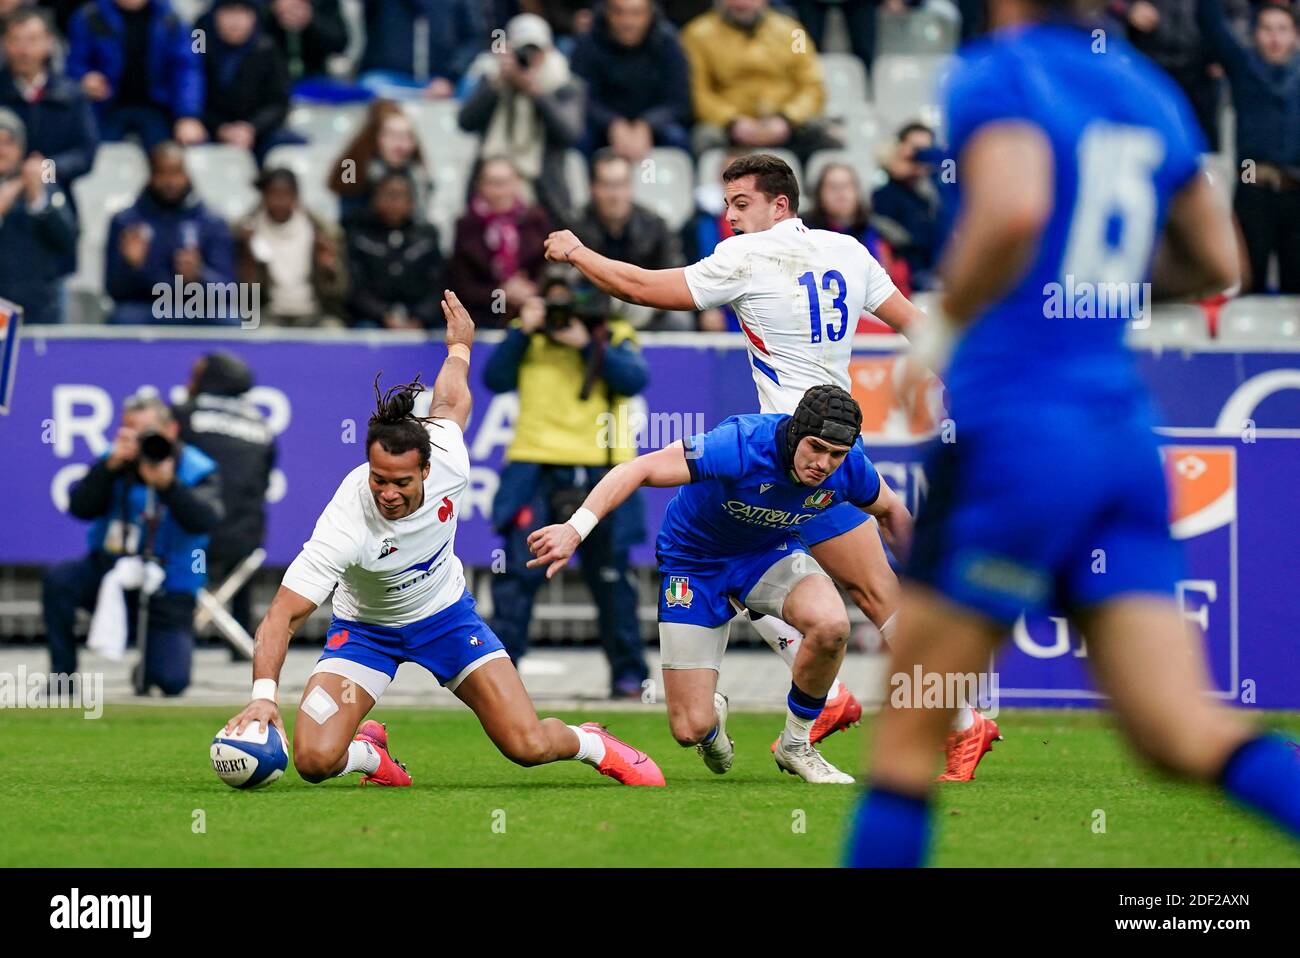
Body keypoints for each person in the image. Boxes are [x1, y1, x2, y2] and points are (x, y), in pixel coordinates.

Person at [845, 0, 1300, 867]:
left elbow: (1016, 207)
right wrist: (1093, 283)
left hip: (1019, 432)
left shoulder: (999, 69)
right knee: (1180, 729)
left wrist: (944, 329)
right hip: (1121, 436)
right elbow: (1219, 263)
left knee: (906, 741)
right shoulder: (1147, 86)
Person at [541, 153, 999, 774]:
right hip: (824, 444)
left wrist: (577, 253)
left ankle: (960, 719)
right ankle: (835, 696)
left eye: (740, 204)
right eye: (727, 205)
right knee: (785, 572)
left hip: (800, 451)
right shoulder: (849, 251)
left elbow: (641, 289)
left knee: (869, 590)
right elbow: (918, 326)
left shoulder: (748, 256)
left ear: (779, 205)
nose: (729, 217)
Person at [220, 290, 665, 789]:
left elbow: (452, 399)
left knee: (528, 746)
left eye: (401, 482)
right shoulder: (346, 521)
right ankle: (369, 755)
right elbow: (282, 614)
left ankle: (593, 742)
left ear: (427, 469)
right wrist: (263, 694)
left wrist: (460, 350)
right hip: (367, 632)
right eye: (378, 478)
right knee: (314, 761)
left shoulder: (449, 456)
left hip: (446, 620)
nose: (387, 493)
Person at [528, 386, 911, 783]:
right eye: (816, 447)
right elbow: (637, 469)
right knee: (688, 729)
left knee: (832, 626)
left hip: (768, 553)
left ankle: (797, 746)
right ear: (796, 432)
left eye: (836, 454)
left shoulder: (850, 468)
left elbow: (892, 511)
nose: (823, 464)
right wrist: (575, 529)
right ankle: (711, 721)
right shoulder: (742, 443)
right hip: (693, 563)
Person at [483, 267, 652, 700]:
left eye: (568, 303)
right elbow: (493, 378)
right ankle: (499, 680)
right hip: (535, 467)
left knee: (611, 577)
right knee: (518, 578)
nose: (560, 313)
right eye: (552, 302)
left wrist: (585, 345)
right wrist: (526, 330)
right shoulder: (528, 333)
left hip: (600, 469)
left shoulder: (612, 334)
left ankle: (629, 676)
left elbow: (633, 379)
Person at [44, 394, 224, 695]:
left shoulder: (197, 468)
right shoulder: (114, 460)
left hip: (170, 584)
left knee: (171, 681)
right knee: (59, 579)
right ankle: (63, 675)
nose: (140, 440)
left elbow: (206, 518)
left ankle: (150, 664)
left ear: (171, 431)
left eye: (148, 432)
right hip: (111, 570)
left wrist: (169, 486)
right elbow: (80, 507)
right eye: (132, 431)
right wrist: (109, 467)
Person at [1196, 0, 1300, 293]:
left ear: (1295, 34)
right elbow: (1210, 21)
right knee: (1248, 281)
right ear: (1254, 33)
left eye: (1282, 29)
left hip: (1296, 189)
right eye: (1266, 29)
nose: (1274, 38)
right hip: (1253, 182)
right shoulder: (1244, 66)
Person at [174, 351, 276, 640]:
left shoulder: (183, 415)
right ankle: (240, 633)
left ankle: (168, 630)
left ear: (209, 379)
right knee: (245, 520)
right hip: (244, 543)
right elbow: (262, 483)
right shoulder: (261, 425)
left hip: (193, 535)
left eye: (195, 374)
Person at [457, 13, 585, 223]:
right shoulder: (491, 75)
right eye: (523, 50)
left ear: (548, 51)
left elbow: (570, 133)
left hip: (544, 195)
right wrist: (497, 84)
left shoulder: (564, 82)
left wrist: (537, 93)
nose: (529, 57)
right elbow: (465, 122)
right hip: (490, 191)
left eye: (536, 50)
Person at [680, 0, 841, 162]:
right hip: (731, 128)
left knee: (826, 137)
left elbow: (812, 86)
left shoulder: (793, 33)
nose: (742, 4)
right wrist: (732, 121)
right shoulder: (697, 35)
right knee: (704, 138)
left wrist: (787, 119)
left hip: (786, 124)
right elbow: (697, 92)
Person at [104, 141, 238, 324]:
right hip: (148, 308)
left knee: (230, 319)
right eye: (162, 173)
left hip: (199, 308)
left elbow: (230, 291)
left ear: (187, 175)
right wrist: (134, 267)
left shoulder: (212, 222)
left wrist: (200, 276)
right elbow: (114, 290)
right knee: (123, 318)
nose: (170, 182)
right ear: (150, 175)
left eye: (176, 173)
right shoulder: (127, 222)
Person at [571, 149, 688, 329]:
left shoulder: (655, 226)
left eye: (621, 185)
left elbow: (677, 277)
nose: (615, 195)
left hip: (646, 308)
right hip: (591, 316)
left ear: (631, 187)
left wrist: (644, 303)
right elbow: (563, 284)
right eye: (606, 185)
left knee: (679, 322)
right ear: (592, 189)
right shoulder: (575, 228)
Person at [65, 0, 207, 148]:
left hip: (157, 109)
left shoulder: (170, 18)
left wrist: (188, 115)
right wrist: (84, 79)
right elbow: (74, 63)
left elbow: (186, 69)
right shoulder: (88, 16)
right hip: (104, 110)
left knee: (170, 156)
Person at [568, 0, 692, 157]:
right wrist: (612, 123)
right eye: (618, 12)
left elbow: (678, 102)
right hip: (602, 124)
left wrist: (647, 124)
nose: (627, 22)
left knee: (676, 137)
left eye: (636, 13)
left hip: (654, 124)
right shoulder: (588, 42)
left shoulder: (668, 42)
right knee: (579, 137)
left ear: (649, 14)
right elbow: (581, 97)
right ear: (607, 12)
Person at [444, 156, 551, 325]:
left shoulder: (536, 220)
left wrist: (531, 290)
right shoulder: (467, 226)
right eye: (493, 183)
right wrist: (502, 294)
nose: (500, 191)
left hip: (534, 314)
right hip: (484, 318)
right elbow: (462, 285)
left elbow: (549, 269)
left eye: (505, 183)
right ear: (480, 186)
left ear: (517, 184)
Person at [236, 166, 348, 326]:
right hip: (269, 313)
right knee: (259, 335)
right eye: (273, 194)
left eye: (285, 194)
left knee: (334, 331)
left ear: (296, 196)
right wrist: (247, 256)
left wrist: (328, 268)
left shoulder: (320, 231)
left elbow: (340, 291)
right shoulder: (248, 231)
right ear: (263, 197)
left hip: (314, 312)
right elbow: (244, 291)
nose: (279, 201)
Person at [0, 8, 99, 187]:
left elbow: (85, 154)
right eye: (15, 40)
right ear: (4, 43)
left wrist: (45, 170)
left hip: (54, 192)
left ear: (49, 42)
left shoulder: (70, 95)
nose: (23, 50)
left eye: (32, 40)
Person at [0, 108, 77, 325]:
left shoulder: (44, 183)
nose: (2, 151)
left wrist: (38, 199)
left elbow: (67, 241)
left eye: (9, 143)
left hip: (38, 304)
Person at [196, 0, 296, 164]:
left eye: (243, 13)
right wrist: (220, 128)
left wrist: (251, 128)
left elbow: (279, 102)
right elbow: (190, 94)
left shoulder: (267, 48)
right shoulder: (199, 45)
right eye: (228, 12)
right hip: (210, 128)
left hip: (257, 131)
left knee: (287, 148)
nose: (235, 21)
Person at [343, 171, 443, 329]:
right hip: (372, 319)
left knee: (447, 334)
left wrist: (420, 318)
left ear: (412, 202)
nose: (394, 202)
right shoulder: (359, 236)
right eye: (389, 194)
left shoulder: (427, 237)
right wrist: (384, 315)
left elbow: (439, 288)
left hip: (421, 320)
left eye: (401, 195)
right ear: (375, 198)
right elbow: (355, 290)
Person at [806, 161, 912, 301]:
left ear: (857, 192)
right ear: (819, 194)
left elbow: (896, 286)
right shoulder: (804, 234)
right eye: (832, 187)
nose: (840, 193)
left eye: (846, 186)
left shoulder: (882, 234)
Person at [328, 98, 433, 224]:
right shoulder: (351, 164)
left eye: (407, 136)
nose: (400, 144)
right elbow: (345, 203)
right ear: (377, 137)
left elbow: (421, 216)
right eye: (392, 135)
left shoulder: (417, 171)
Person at [356, 0, 485, 98]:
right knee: (370, 87)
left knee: (476, 88)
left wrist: (450, 77)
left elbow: (473, 38)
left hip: (444, 77)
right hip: (390, 78)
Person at [872, 122, 943, 292]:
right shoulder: (883, 195)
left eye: (927, 150)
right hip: (906, 282)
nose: (921, 157)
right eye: (916, 149)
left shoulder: (933, 193)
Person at [263, 0, 350, 84]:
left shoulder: (323, 3)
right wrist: (274, 9)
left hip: (315, 78)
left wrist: (310, 19)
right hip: (270, 79)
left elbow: (339, 43)